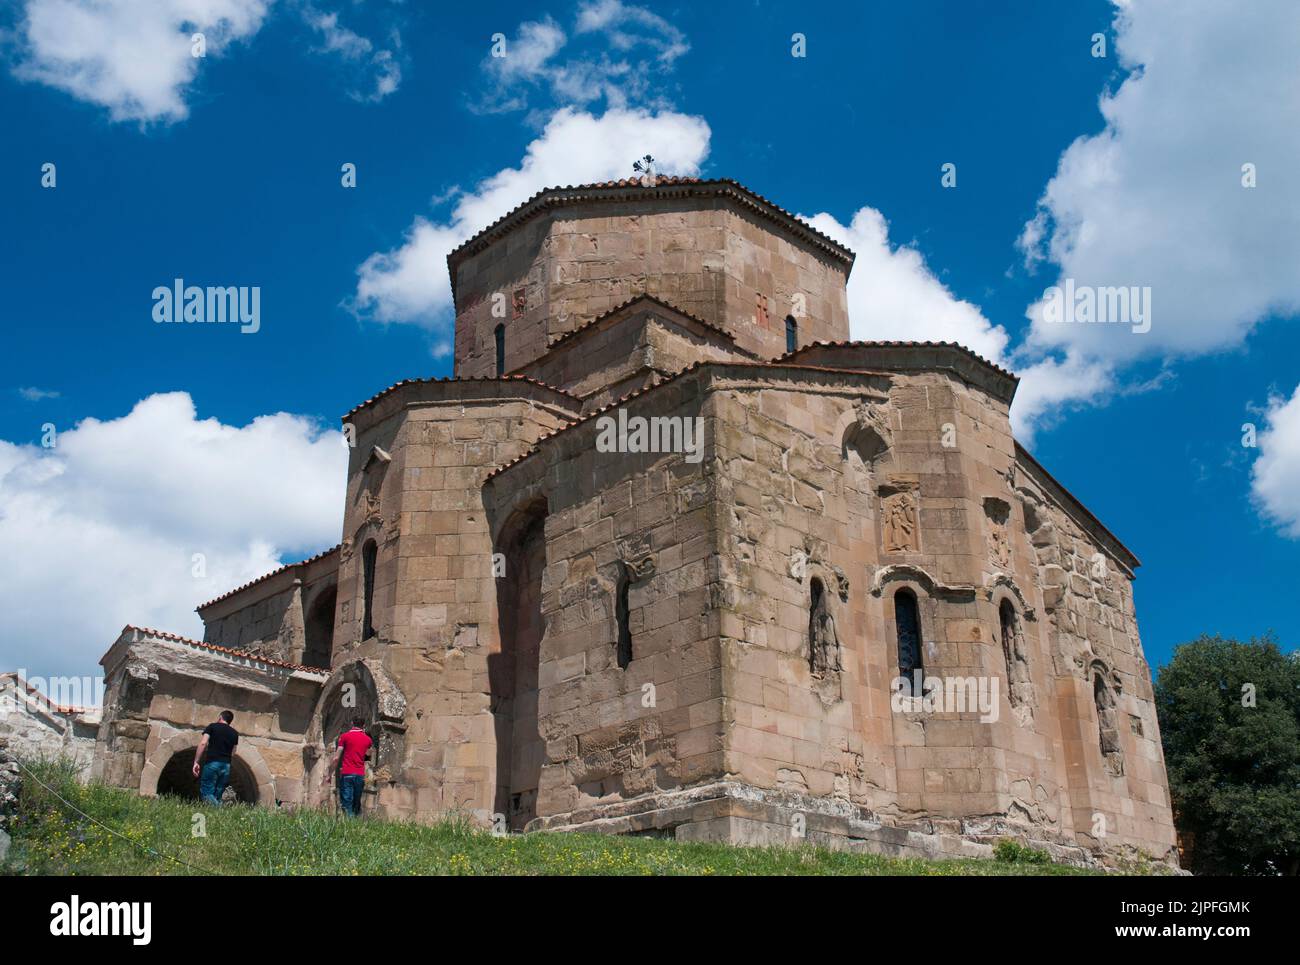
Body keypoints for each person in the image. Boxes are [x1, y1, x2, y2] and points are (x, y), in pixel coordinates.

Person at [325, 717, 373, 817]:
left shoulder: (345, 736)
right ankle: (354, 825)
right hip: (360, 775)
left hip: (347, 773)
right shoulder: (368, 740)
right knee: (356, 803)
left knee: (347, 802)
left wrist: (329, 774)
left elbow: (336, 758)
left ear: (352, 723)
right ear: (363, 725)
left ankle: (348, 825)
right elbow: (368, 755)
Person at [192, 710, 239, 805]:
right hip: (226, 766)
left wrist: (196, 762)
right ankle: (217, 813)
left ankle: (221, 812)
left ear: (220, 717)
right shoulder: (235, 733)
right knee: (217, 794)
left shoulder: (212, 726)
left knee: (206, 792)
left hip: (213, 763)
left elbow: (203, 743)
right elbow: (233, 752)